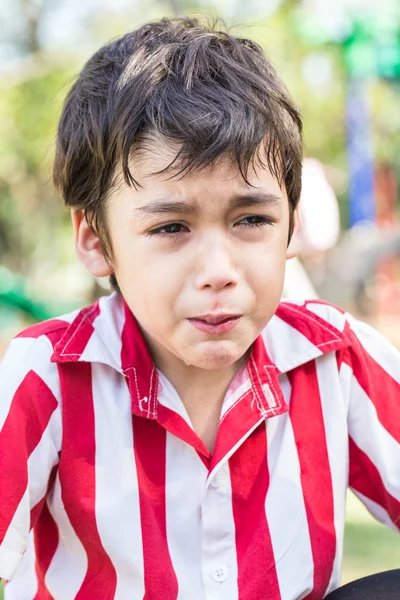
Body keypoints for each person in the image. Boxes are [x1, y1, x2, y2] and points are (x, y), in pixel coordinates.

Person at [0, 17, 399, 600]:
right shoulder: (50, 375)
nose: (218, 271)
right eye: (170, 227)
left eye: (252, 220)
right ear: (94, 240)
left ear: (291, 224)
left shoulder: (335, 358)